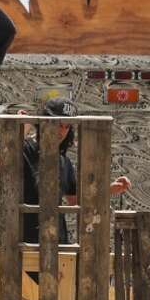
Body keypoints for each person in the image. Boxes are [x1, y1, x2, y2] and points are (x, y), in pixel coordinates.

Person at [21, 98, 130, 246]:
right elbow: (1, 161)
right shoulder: (26, 149)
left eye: (67, 127)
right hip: (25, 245)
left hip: (58, 243)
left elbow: (75, 200)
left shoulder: (63, 161)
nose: (62, 131)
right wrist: (23, 130)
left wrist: (108, 189)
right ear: (44, 122)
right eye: (59, 124)